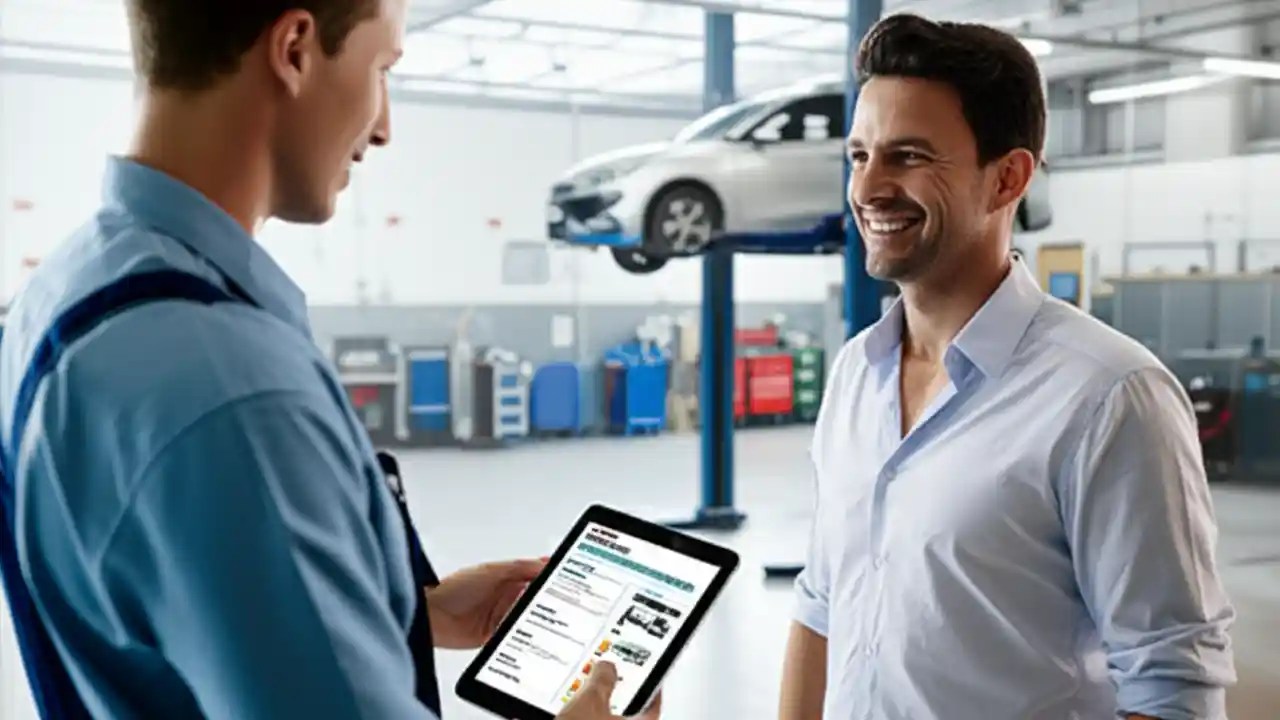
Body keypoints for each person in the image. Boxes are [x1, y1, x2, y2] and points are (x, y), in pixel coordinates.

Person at [0, 1, 654, 718]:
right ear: (295, 48)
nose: (382, 127)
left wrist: (412, 613)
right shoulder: (228, 387)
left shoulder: (67, 291)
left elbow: (167, 600)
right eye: (381, 70)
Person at [778, 14, 1235, 720]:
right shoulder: (854, 375)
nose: (868, 188)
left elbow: (1170, 685)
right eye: (859, 155)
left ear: (1007, 178)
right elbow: (821, 603)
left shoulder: (1110, 397)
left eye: (908, 156)